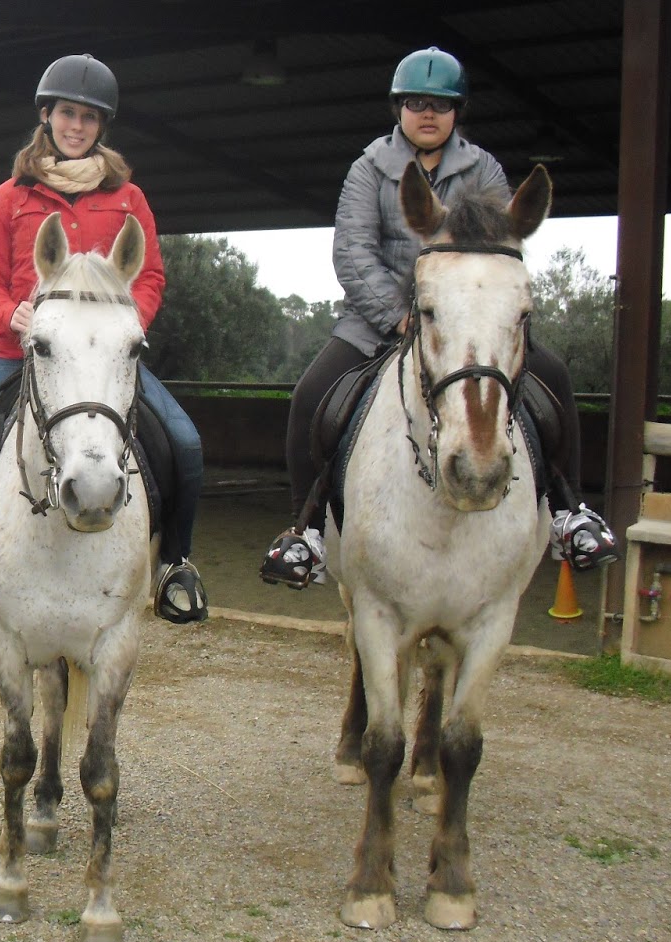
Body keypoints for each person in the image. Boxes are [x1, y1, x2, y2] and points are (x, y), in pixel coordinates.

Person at [259, 46, 619, 589]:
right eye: (416, 102)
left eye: (441, 104)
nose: (428, 113)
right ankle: (305, 531)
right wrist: (401, 316)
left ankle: (570, 509)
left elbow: (499, 248)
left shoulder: (484, 170)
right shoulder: (368, 169)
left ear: (458, 111)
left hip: (466, 321)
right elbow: (353, 252)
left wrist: (461, 312)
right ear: (398, 107)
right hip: (379, 320)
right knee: (309, 395)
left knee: (556, 378)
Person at [0, 53, 207, 627]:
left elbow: (149, 277)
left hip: (105, 365)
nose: (77, 127)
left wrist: (128, 325)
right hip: (19, 357)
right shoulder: (7, 200)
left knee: (186, 444)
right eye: (68, 114)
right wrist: (10, 315)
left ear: (101, 128)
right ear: (47, 116)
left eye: (90, 119)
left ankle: (174, 564)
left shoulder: (129, 200)